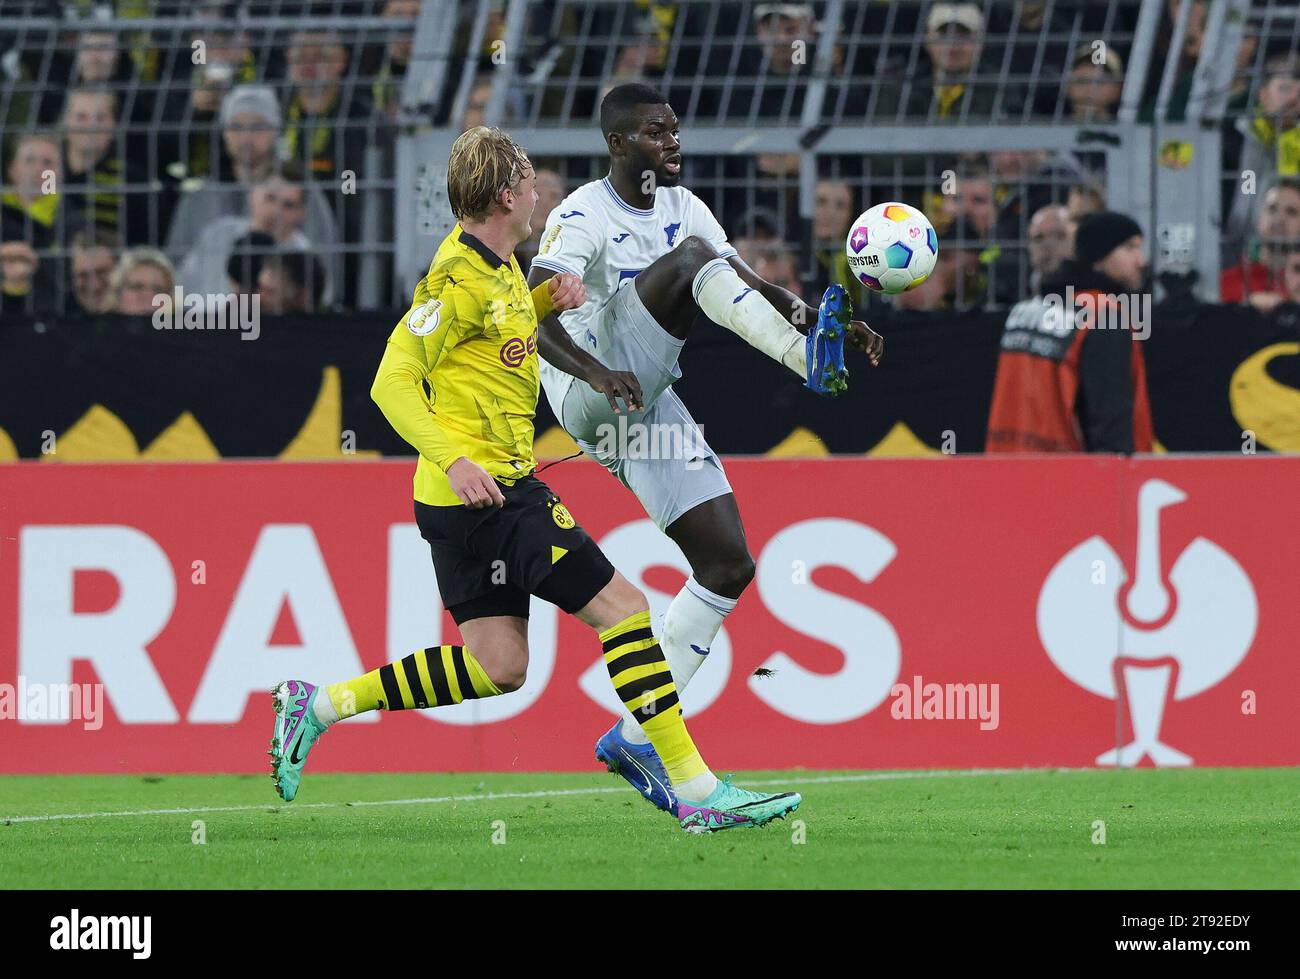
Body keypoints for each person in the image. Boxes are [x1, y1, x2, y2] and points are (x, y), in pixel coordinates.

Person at [269, 125, 803, 834]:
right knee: (625, 611)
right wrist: (456, 459)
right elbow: (391, 381)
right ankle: (694, 788)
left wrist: (550, 303)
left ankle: (321, 704)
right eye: (528, 181)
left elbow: (501, 332)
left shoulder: (500, 270)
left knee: (499, 664)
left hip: (456, 505)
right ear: (503, 196)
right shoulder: (457, 281)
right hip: (488, 491)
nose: (538, 192)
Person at [526, 83, 883, 811]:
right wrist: (596, 371)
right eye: (658, 133)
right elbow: (531, 318)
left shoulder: (687, 207)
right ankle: (804, 363)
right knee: (690, 261)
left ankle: (634, 735)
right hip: (587, 382)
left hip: (645, 399)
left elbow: (743, 283)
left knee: (726, 562)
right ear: (620, 145)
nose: (674, 143)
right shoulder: (582, 214)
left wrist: (823, 321)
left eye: (677, 130)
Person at [985, 210, 1154, 454]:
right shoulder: (1104, 317)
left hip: (1007, 471)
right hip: (1069, 479)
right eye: (1129, 248)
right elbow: (1110, 427)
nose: (1141, 260)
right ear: (1099, 257)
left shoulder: (1024, 312)